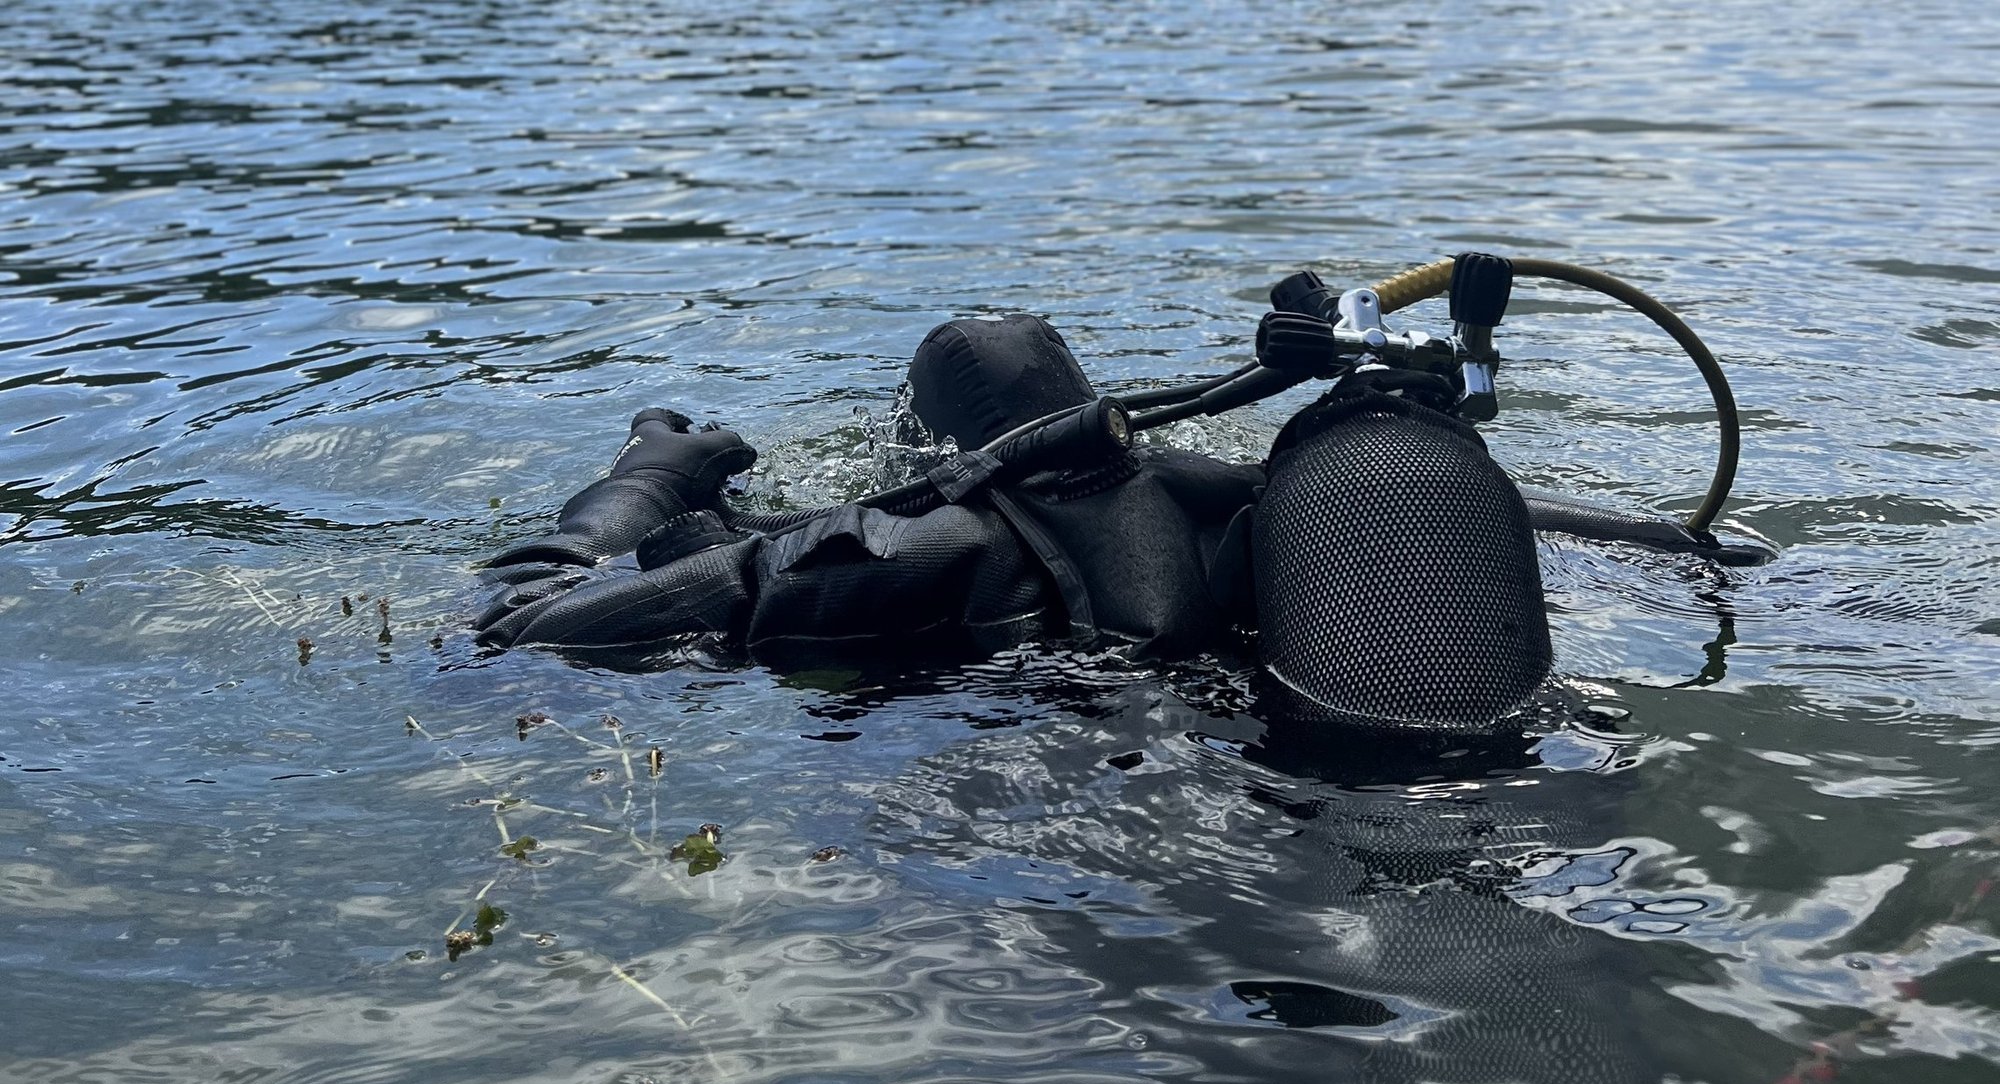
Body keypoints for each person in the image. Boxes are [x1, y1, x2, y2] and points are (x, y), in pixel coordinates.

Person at [476, 312, 1764, 736]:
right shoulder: (1248, 493)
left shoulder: (911, 541)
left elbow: (516, 627)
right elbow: (1632, 538)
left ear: (927, 445)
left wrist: (647, 474)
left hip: (1068, 808)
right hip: (1291, 744)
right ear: (1090, 403)